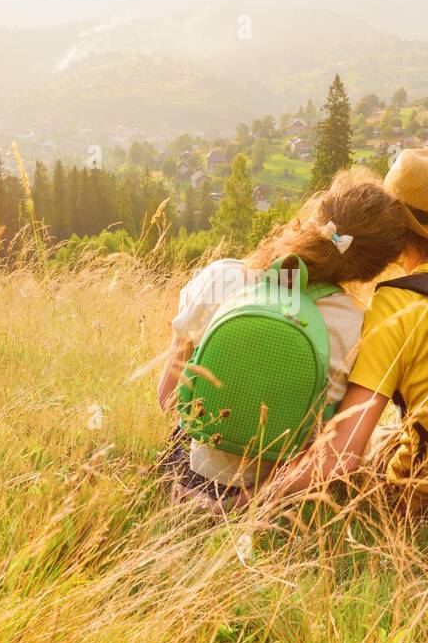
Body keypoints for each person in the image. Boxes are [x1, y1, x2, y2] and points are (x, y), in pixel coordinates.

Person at [265, 148, 428, 506]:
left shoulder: (396, 303)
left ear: (396, 224)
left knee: (376, 443)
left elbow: (341, 457)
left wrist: (246, 501)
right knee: (386, 436)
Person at [156, 167, 410, 507]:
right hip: (292, 495)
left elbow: (169, 398)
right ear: (373, 269)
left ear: (315, 217)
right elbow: (338, 454)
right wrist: (245, 502)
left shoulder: (218, 278)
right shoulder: (360, 326)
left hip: (192, 476)